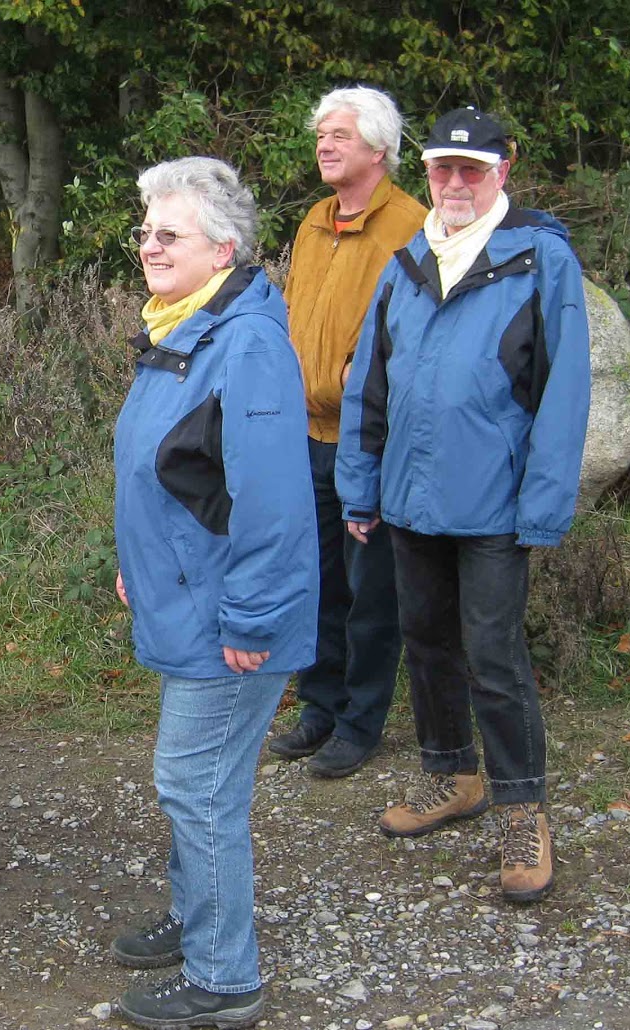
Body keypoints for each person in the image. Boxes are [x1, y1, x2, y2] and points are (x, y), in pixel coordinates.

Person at [336, 107, 589, 902]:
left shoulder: (539, 259)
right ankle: (453, 777)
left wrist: (543, 504)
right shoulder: (408, 260)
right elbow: (368, 383)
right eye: (443, 168)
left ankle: (523, 808)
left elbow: (565, 392)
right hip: (410, 498)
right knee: (427, 640)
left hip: (494, 506)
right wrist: (360, 482)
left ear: (502, 173)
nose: (454, 183)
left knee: (494, 656)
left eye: (471, 170)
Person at [108, 157, 317, 1029]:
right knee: (197, 780)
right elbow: (181, 470)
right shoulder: (185, 325)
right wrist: (140, 560)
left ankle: (226, 977)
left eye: (169, 234)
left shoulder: (248, 342)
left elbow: (272, 499)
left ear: (223, 246)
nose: (150, 246)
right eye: (145, 232)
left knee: (195, 785)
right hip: (187, 594)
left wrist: (257, 619)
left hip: (230, 613)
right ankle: (199, 913)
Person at [270, 86, 427, 779]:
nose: (325, 146)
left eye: (339, 134)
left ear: (379, 148)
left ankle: (361, 721)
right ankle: (320, 706)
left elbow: (412, 342)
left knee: (371, 591)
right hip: (304, 433)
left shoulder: (412, 226)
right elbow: (291, 312)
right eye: (320, 134)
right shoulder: (312, 222)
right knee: (317, 581)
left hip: (371, 441)